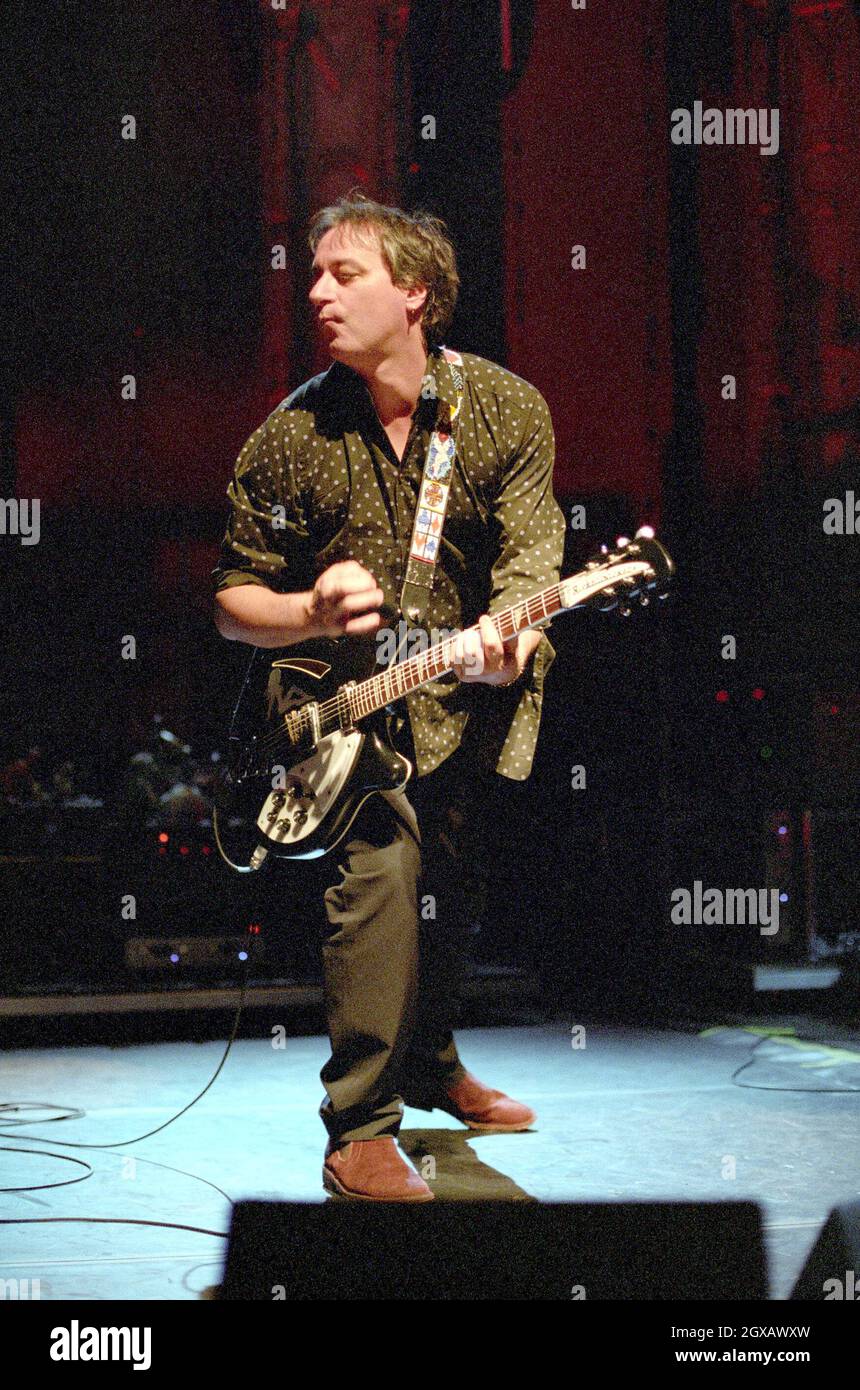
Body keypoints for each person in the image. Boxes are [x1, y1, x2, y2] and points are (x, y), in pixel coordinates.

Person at [212, 190, 566, 1200]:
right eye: (313, 274)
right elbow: (233, 605)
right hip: (337, 713)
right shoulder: (289, 436)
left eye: (344, 273)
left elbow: (530, 564)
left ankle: (433, 1064)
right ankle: (359, 1129)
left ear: (414, 293)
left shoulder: (504, 410)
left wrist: (510, 640)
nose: (316, 292)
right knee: (376, 871)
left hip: (457, 694)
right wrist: (310, 611)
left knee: (451, 886)